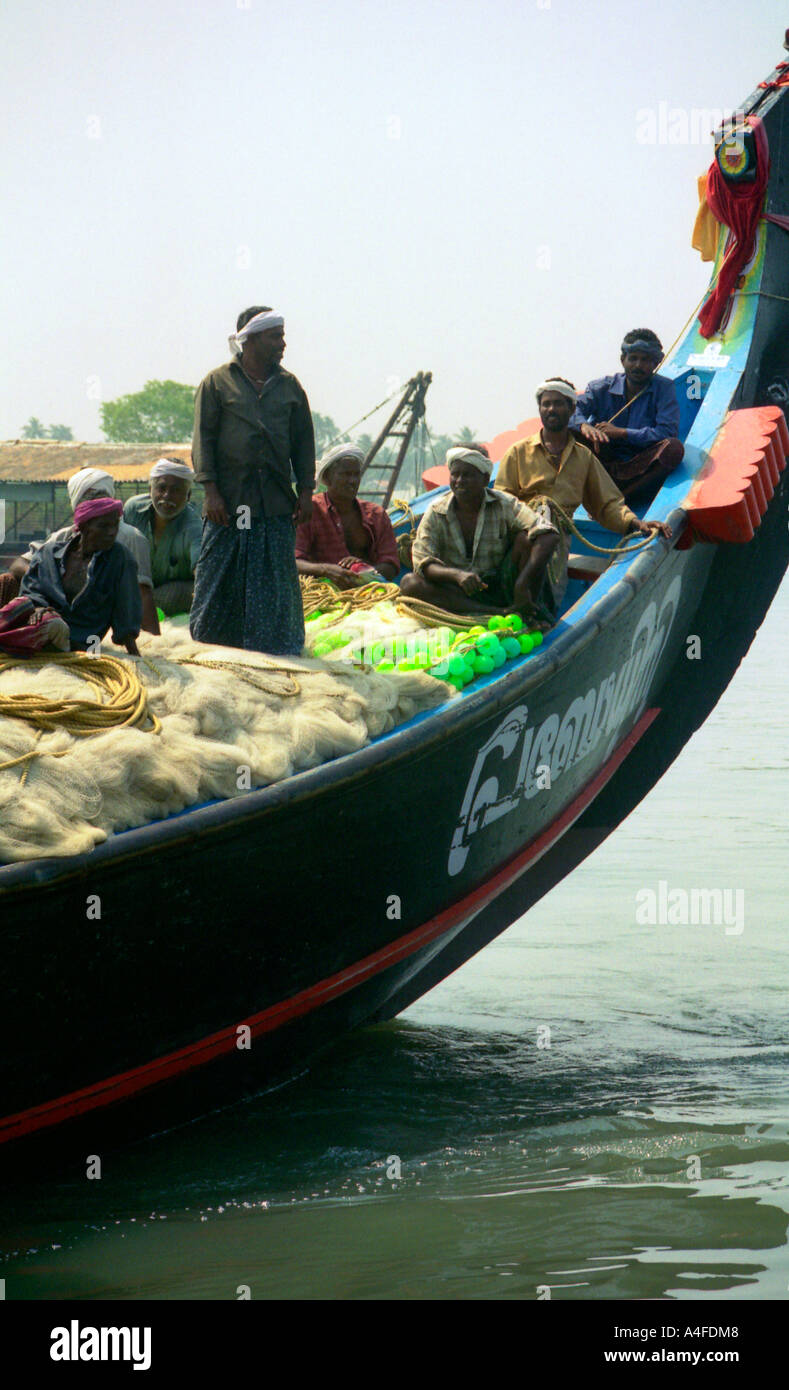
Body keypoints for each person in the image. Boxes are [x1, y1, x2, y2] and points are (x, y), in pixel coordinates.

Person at [495, 378, 671, 625]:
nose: (551, 410)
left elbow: (607, 504)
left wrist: (635, 523)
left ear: (570, 410)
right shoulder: (518, 452)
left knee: (548, 605)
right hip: (522, 537)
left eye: (558, 404)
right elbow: (502, 501)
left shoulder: (583, 457)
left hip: (558, 538)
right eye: (546, 404)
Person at [190, 306, 315, 654]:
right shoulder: (217, 383)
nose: (283, 343)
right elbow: (204, 439)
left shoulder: (290, 387)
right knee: (222, 574)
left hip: (274, 502)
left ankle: (277, 649)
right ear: (253, 338)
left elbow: (304, 442)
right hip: (230, 504)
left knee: (274, 578)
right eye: (276, 336)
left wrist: (305, 493)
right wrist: (211, 492)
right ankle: (212, 645)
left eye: (283, 335)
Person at [400, 447, 559, 625]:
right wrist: (456, 575)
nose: (459, 481)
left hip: (501, 586)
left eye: (467, 475)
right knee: (409, 583)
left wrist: (522, 585)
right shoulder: (436, 511)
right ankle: (498, 613)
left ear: (484, 479)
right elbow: (423, 563)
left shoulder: (503, 503)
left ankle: (527, 609)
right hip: (458, 592)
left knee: (526, 538)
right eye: (455, 475)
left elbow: (548, 534)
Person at [0, 468, 159, 633]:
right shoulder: (61, 539)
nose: (97, 502)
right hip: (49, 615)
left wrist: (145, 640)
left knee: (53, 627)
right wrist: (48, 580)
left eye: (102, 496)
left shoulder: (129, 539)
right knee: (8, 586)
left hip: (84, 627)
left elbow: (140, 593)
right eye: (89, 498)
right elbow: (21, 565)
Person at [570, 329, 684, 504]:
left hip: (637, 467)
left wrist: (623, 433)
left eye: (645, 360)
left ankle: (619, 500)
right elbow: (572, 410)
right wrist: (584, 426)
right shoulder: (601, 387)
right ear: (623, 360)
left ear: (656, 363)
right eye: (633, 358)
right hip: (601, 462)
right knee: (568, 432)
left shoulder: (664, 389)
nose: (638, 365)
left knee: (673, 448)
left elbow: (667, 432)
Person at [19, 497, 141, 654]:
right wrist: (37, 608)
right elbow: (31, 592)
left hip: (86, 643)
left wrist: (135, 655)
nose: (112, 532)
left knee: (57, 628)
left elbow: (126, 608)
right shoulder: (48, 554)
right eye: (103, 526)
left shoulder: (120, 559)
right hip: (43, 631)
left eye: (115, 525)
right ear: (84, 527)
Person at [295, 444, 399, 589]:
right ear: (327, 478)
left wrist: (363, 570)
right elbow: (294, 562)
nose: (353, 480)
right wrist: (326, 570)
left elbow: (391, 564)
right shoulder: (310, 510)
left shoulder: (377, 515)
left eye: (356, 474)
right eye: (346, 474)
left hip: (368, 592)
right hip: (322, 593)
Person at [123, 459, 202, 616]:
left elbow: (200, 567)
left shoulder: (193, 525)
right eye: (161, 488)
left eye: (176, 490)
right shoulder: (133, 510)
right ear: (150, 489)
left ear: (188, 495)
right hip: (135, 587)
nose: (167, 496)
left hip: (171, 593)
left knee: (178, 594)